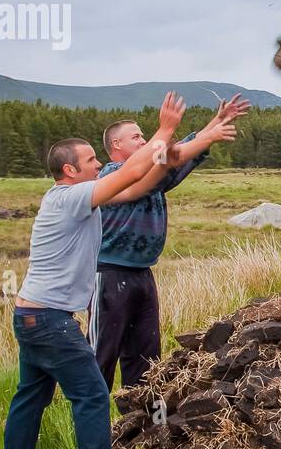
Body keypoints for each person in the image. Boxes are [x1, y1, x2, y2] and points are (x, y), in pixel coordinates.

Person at [0, 93, 187, 449]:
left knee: (31, 396)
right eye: (92, 162)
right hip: (49, 320)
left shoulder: (78, 198)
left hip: (30, 315)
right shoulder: (71, 197)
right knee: (93, 393)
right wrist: (164, 130)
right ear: (69, 169)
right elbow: (130, 170)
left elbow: (136, 182)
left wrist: (182, 148)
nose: (99, 165)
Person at [89, 94, 249, 391]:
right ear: (116, 146)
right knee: (101, 357)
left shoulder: (154, 171)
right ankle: (91, 430)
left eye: (142, 135)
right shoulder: (111, 175)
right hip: (110, 276)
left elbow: (177, 154)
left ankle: (139, 426)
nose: (142, 139)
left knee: (146, 359)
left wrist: (218, 121)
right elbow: (159, 162)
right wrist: (206, 135)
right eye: (135, 136)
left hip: (143, 275)